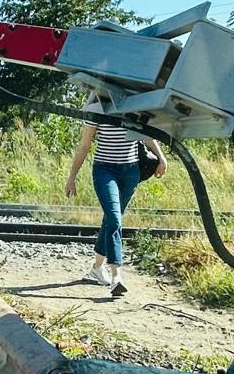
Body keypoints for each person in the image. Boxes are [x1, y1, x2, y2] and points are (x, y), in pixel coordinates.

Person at [65, 100, 166, 298]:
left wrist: (161, 157)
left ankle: (96, 268)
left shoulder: (133, 105)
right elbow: (84, 145)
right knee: (114, 219)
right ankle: (116, 275)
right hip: (104, 170)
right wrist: (72, 177)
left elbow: (145, 136)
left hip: (131, 171)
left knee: (112, 219)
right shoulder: (96, 108)